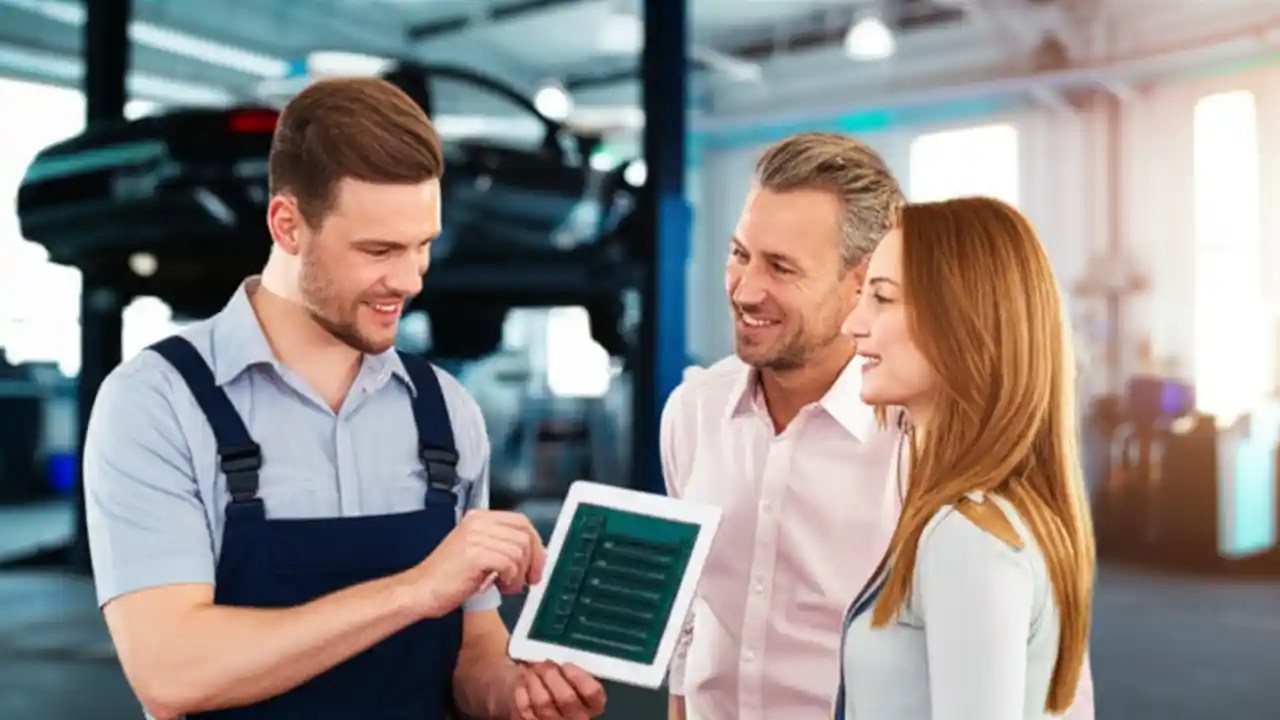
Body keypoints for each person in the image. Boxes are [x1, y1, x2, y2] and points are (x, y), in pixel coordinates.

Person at [82, 77, 606, 720]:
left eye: (423, 245)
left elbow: (474, 653)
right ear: (287, 225)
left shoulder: (445, 412)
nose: (409, 279)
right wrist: (414, 590)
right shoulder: (157, 403)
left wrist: (516, 695)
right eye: (379, 250)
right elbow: (171, 670)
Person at [659, 132, 1094, 720]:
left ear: (860, 280)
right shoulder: (693, 413)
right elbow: (693, 616)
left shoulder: (929, 458)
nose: (747, 288)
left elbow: (1047, 690)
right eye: (740, 254)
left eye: (782, 267)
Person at [834, 196, 1096, 719]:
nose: (852, 325)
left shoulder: (969, 536)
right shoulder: (983, 518)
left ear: (959, 321)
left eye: (881, 299)